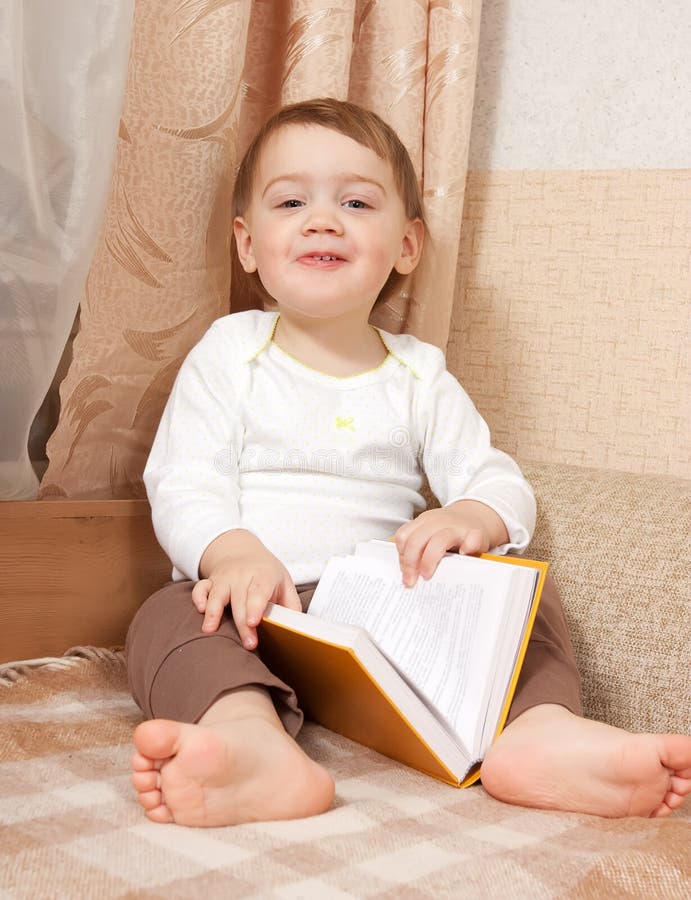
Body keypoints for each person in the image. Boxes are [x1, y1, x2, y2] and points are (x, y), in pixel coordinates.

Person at [126, 98, 691, 828]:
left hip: (384, 613)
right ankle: (247, 740)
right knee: (167, 617)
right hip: (254, 608)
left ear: (406, 245)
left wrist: (468, 516)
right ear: (247, 242)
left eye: (356, 202)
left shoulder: (419, 374)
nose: (323, 219)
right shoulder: (231, 350)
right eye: (291, 201)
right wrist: (229, 554)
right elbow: (183, 475)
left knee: (524, 594)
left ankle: (538, 734)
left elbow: (497, 478)